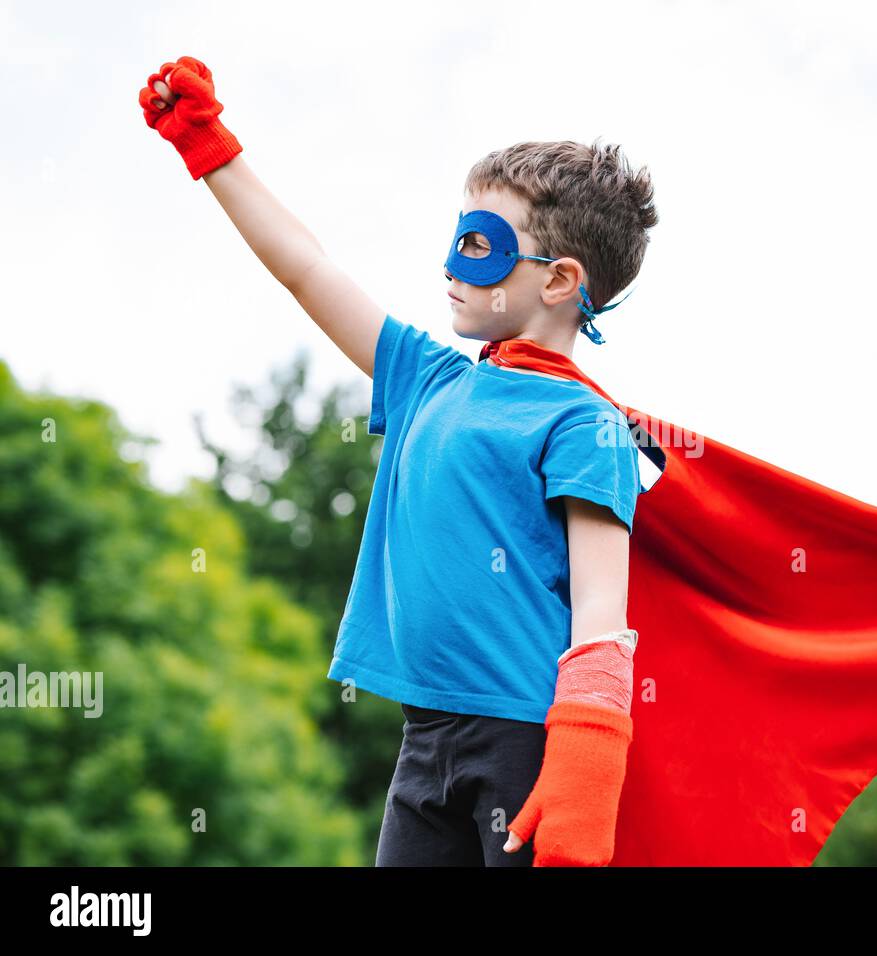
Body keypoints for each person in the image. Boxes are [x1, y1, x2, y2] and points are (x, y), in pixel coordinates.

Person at [139, 55, 658, 867]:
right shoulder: (427, 379)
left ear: (560, 280)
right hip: (423, 736)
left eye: (481, 246)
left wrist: (587, 767)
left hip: (524, 741)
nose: (452, 266)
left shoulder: (586, 424)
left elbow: (602, 609)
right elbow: (306, 269)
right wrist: (211, 152)